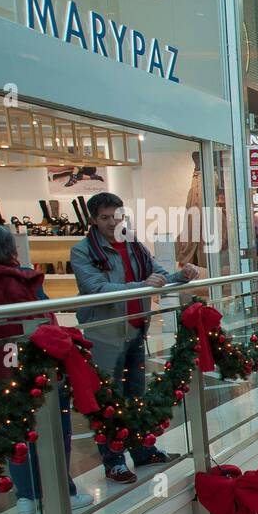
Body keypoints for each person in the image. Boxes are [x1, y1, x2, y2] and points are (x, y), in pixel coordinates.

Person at [0, 225, 94, 514]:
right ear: (11, 249)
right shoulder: (23, 279)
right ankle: (62, 492)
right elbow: (43, 319)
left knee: (14, 432)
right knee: (55, 429)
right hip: (37, 366)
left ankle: (26, 496)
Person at [70, 192, 199, 484]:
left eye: (117, 216)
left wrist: (183, 274)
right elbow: (95, 288)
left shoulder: (133, 245)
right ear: (93, 220)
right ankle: (113, 460)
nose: (112, 222)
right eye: (105, 218)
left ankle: (142, 450)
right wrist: (141, 285)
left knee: (135, 396)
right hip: (104, 335)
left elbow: (160, 275)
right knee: (108, 401)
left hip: (135, 329)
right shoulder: (83, 251)